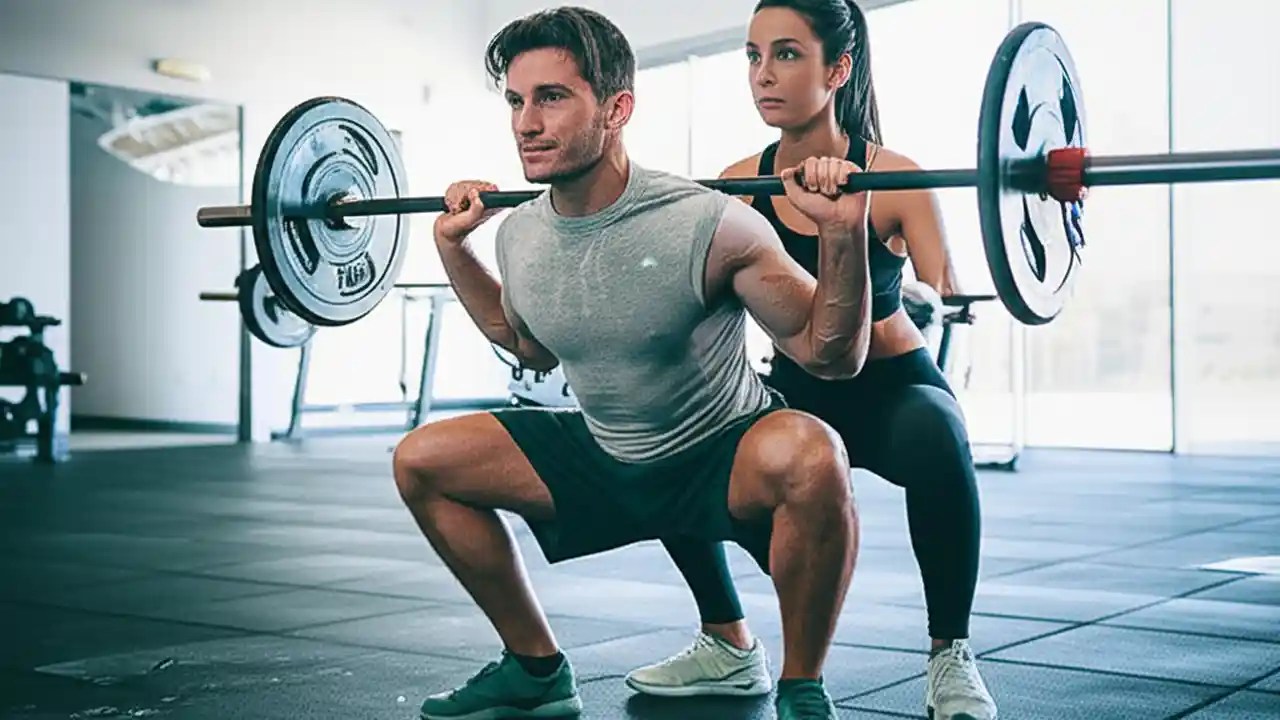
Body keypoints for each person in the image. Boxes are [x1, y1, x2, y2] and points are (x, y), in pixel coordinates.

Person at [394, 6, 879, 720]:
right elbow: (527, 346)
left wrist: (843, 234)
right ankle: (534, 669)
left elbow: (830, 356)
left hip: (722, 455)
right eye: (516, 101)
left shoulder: (707, 222)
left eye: (552, 97)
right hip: (609, 452)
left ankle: (803, 689)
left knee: (815, 454)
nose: (526, 122)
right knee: (422, 460)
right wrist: (453, 251)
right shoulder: (520, 234)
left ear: (617, 108)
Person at [622, 2, 1000, 719]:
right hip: (795, 391)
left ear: (838, 69)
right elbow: (691, 284)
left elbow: (940, 291)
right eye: (753, 56)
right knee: (668, 439)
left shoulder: (894, 177)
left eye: (787, 55)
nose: (764, 75)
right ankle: (727, 642)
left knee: (939, 435)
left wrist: (906, 283)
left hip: (894, 389)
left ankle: (950, 653)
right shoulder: (737, 184)